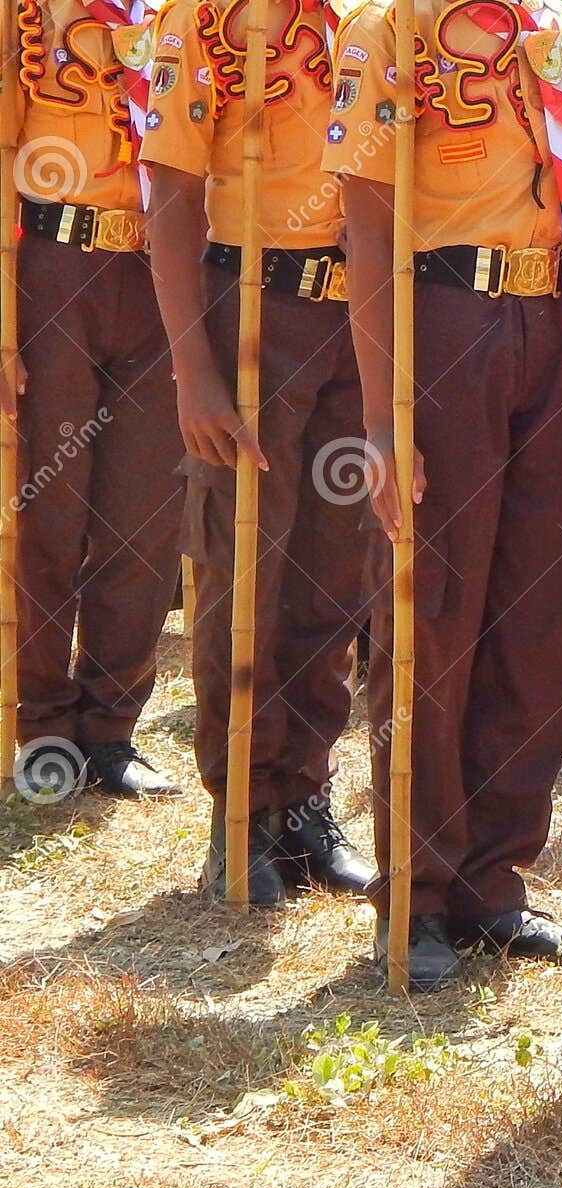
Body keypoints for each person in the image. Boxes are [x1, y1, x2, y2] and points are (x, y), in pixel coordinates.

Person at [330, 0, 562, 988]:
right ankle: (413, 893)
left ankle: (497, 883)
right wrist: (381, 418)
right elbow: (366, 227)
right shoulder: (390, 27)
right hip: (443, 317)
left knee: (535, 618)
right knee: (433, 611)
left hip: (551, 319)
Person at [144, 0, 377, 906]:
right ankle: (237, 809)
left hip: (358, 310)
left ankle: (303, 796)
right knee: (244, 571)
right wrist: (192, 372)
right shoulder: (203, 20)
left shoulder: (375, 21)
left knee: (331, 571)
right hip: (251, 304)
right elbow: (169, 192)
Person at [8, 0, 184, 801]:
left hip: (159, 268)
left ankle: (112, 725)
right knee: (50, 507)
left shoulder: (189, 13)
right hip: (52, 259)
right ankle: (42, 722)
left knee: (144, 513)